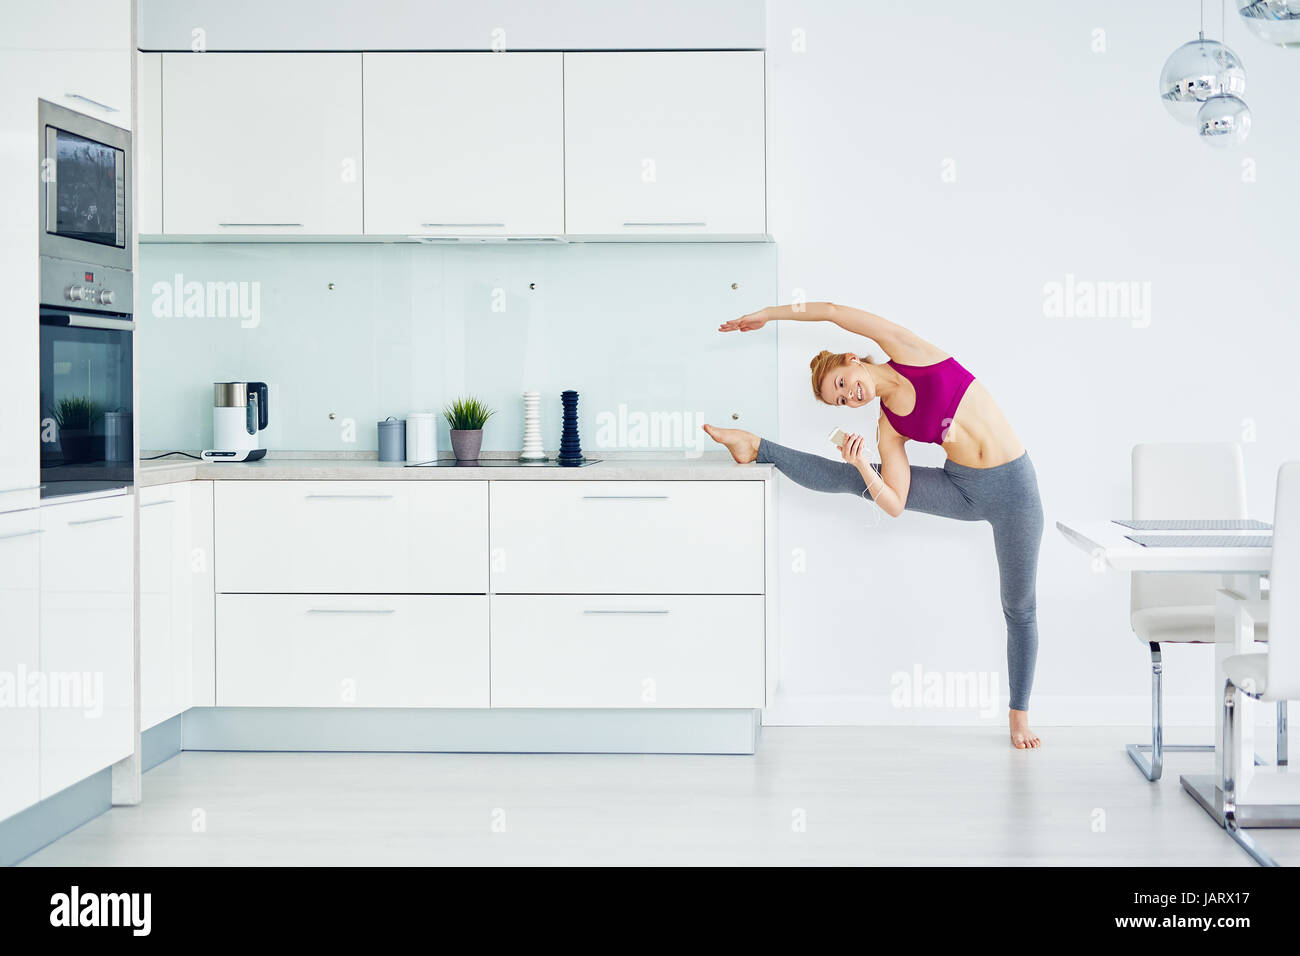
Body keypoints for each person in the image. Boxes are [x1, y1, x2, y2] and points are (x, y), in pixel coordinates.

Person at [702, 302, 1044, 749]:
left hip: (1015, 489)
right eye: (840, 400)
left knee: (1018, 607)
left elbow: (830, 311)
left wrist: (770, 314)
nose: (850, 395)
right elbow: (895, 503)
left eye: (843, 384)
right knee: (853, 477)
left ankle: (1019, 715)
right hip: (963, 488)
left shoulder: (909, 351)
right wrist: (864, 465)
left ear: (853, 360)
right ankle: (757, 445)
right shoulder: (889, 426)